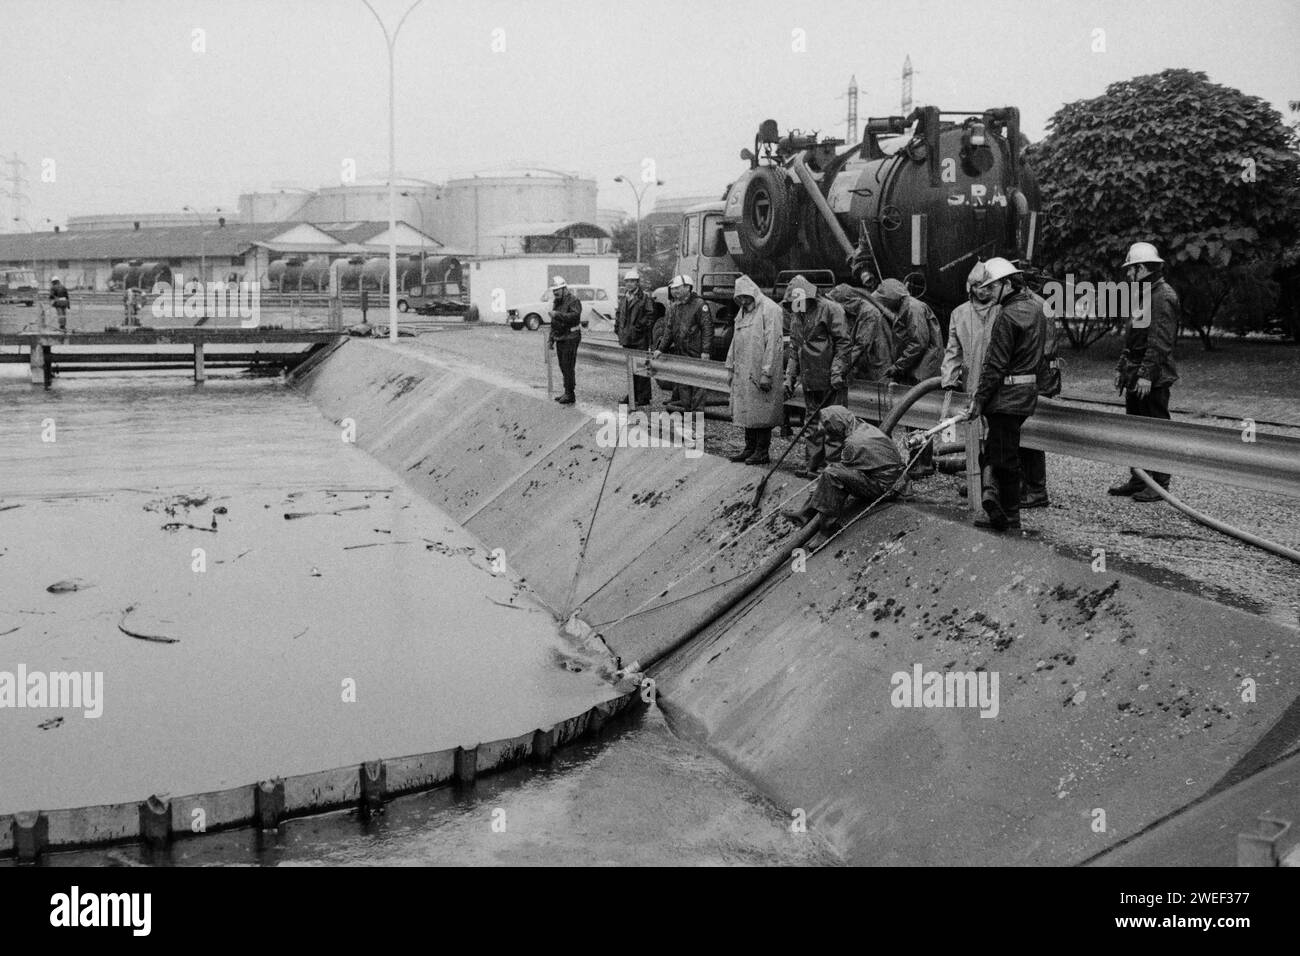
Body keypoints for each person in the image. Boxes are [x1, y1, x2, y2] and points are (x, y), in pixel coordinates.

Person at [961, 257, 1047, 532]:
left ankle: (1007, 514)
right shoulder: (1036, 308)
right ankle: (995, 501)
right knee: (1003, 451)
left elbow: (995, 364)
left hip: (1006, 397)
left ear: (1006, 285)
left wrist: (979, 399)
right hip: (1024, 394)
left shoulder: (1007, 315)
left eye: (992, 287)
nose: (987, 293)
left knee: (1002, 456)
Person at [1108, 241, 1180, 502]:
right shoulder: (1145, 294)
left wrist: (1146, 375)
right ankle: (1139, 478)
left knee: (1156, 430)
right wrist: (1122, 368)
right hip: (1137, 373)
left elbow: (1159, 341)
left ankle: (1159, 484)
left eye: (1131, 269)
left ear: (1141, 268)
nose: (1128, 274)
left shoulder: (1163, 296)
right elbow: (1134, 339)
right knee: (1135, 429)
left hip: (1152, 377)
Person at [781, 405, 906, 533]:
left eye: (827, 426)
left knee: (832, 476)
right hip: (891, 479)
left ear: (836, 425)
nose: (827, 432)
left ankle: (827, 529)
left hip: (887, 487)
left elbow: (839, 473)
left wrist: (821, 488)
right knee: (832, 471)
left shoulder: (852, 443)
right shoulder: (862, 427)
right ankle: (805, 514)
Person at [781, 275, 852, 479]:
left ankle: (832, 468)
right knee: (811, 423)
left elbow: (843, 343)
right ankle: (812, 464)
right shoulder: (797, 316)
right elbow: (795, 349)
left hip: (831, 379)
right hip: (810, 379)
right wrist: (789, 379)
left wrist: (838, 371)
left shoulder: (831, 309)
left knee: (833, 424)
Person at [941, 262, 999, 498]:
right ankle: (977, 479)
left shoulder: (1002, 309)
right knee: (974, 430)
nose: (983, 291)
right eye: (978, 286)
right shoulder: (960, 313)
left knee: (996, 432)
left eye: (988, 286)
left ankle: (993, 482)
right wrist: (949, 378)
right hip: (971, 379)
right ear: (970, 287)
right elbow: (953, 349)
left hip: (997, 377)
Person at [724, 275, 783, 465]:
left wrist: (767, 372)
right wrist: (730, 365)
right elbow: (735, 340)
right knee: (746, 410)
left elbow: (774, 343)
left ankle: (762, 451)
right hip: (744, 369)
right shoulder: (742, 313)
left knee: (762, 411)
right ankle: (749, 448)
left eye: (745, 296)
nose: (742, 300)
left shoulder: (770, 309)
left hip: (760, 370)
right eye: (739, 297)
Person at [651, 274, 712, 413]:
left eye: (677, 288)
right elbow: (669, 330)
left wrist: (705, 351)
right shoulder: (674, 306)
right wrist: (661, 348)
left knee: (698, 385)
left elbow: (707, 329)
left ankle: (696, 418)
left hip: (695, 352)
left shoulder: (699, 305)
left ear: (687, 288)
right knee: (683, 384)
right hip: (681, 352)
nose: (674, 291)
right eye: (672, 289)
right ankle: (688, 413)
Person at [875, 278, 942, 386]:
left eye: (885, 302)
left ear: (892, 298)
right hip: (916, 369)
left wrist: (898, 366)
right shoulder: (905, 309)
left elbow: (919, 343)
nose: (885, 306)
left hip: (923, 371)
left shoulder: (913, 308)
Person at [826, 282, 893, 386]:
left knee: (880, 393)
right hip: (867, 363)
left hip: (877, 363)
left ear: (847, 302)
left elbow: (861, 345)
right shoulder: (854, 311)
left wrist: (840, 369)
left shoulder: (869, 313)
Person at [614, 269, 655, 406]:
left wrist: (638, 328)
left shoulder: (645, 298)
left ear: (637, 282)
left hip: (640, 339)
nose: (629, 284)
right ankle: (633, 395)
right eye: (627, 281)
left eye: (632, 281)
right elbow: (619, 314)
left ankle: (643, 396)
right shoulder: (624, 298)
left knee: (641, 368)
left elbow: (650, 316)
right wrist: (618, 329)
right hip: (627, 338)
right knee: (631, 369)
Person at [547, 276, 582, 405]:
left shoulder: (573, 300)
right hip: (561, 337)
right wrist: (551, 338)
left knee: (568, 365)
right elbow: (554, 323)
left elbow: (575, 316)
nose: (555, 293)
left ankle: (570, 393)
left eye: (557, 290)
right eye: (554, 291)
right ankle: (567, 391)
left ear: (564, 289)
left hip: (571, 337)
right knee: (563, 365)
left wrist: (558, 315)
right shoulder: (558, 301)